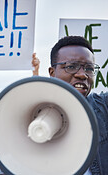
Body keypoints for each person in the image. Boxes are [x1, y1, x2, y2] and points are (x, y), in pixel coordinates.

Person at [34, 36, 108, 175]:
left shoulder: (103, 107)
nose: (82, 75)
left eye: (89, 68)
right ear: (52, 73)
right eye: (71, 67)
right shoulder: (28, 114)